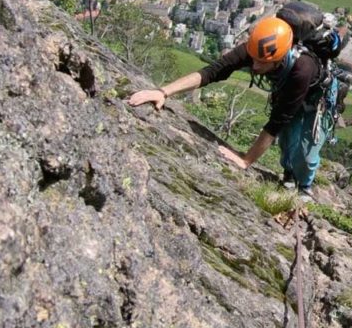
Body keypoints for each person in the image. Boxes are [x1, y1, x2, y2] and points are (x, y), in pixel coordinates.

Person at [127, 15, 332, 195]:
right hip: (287, 91)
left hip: (314, 100)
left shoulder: (302, 68)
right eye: (254, 60)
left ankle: (305, 186)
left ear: (279, 59)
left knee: (306, 151)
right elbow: (213, 71)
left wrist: (246, 160)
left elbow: (277, 122)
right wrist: (163, 92)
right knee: (287, 141)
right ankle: (289, 172)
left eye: (262, 63)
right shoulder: (254, 49)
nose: (255, 66)